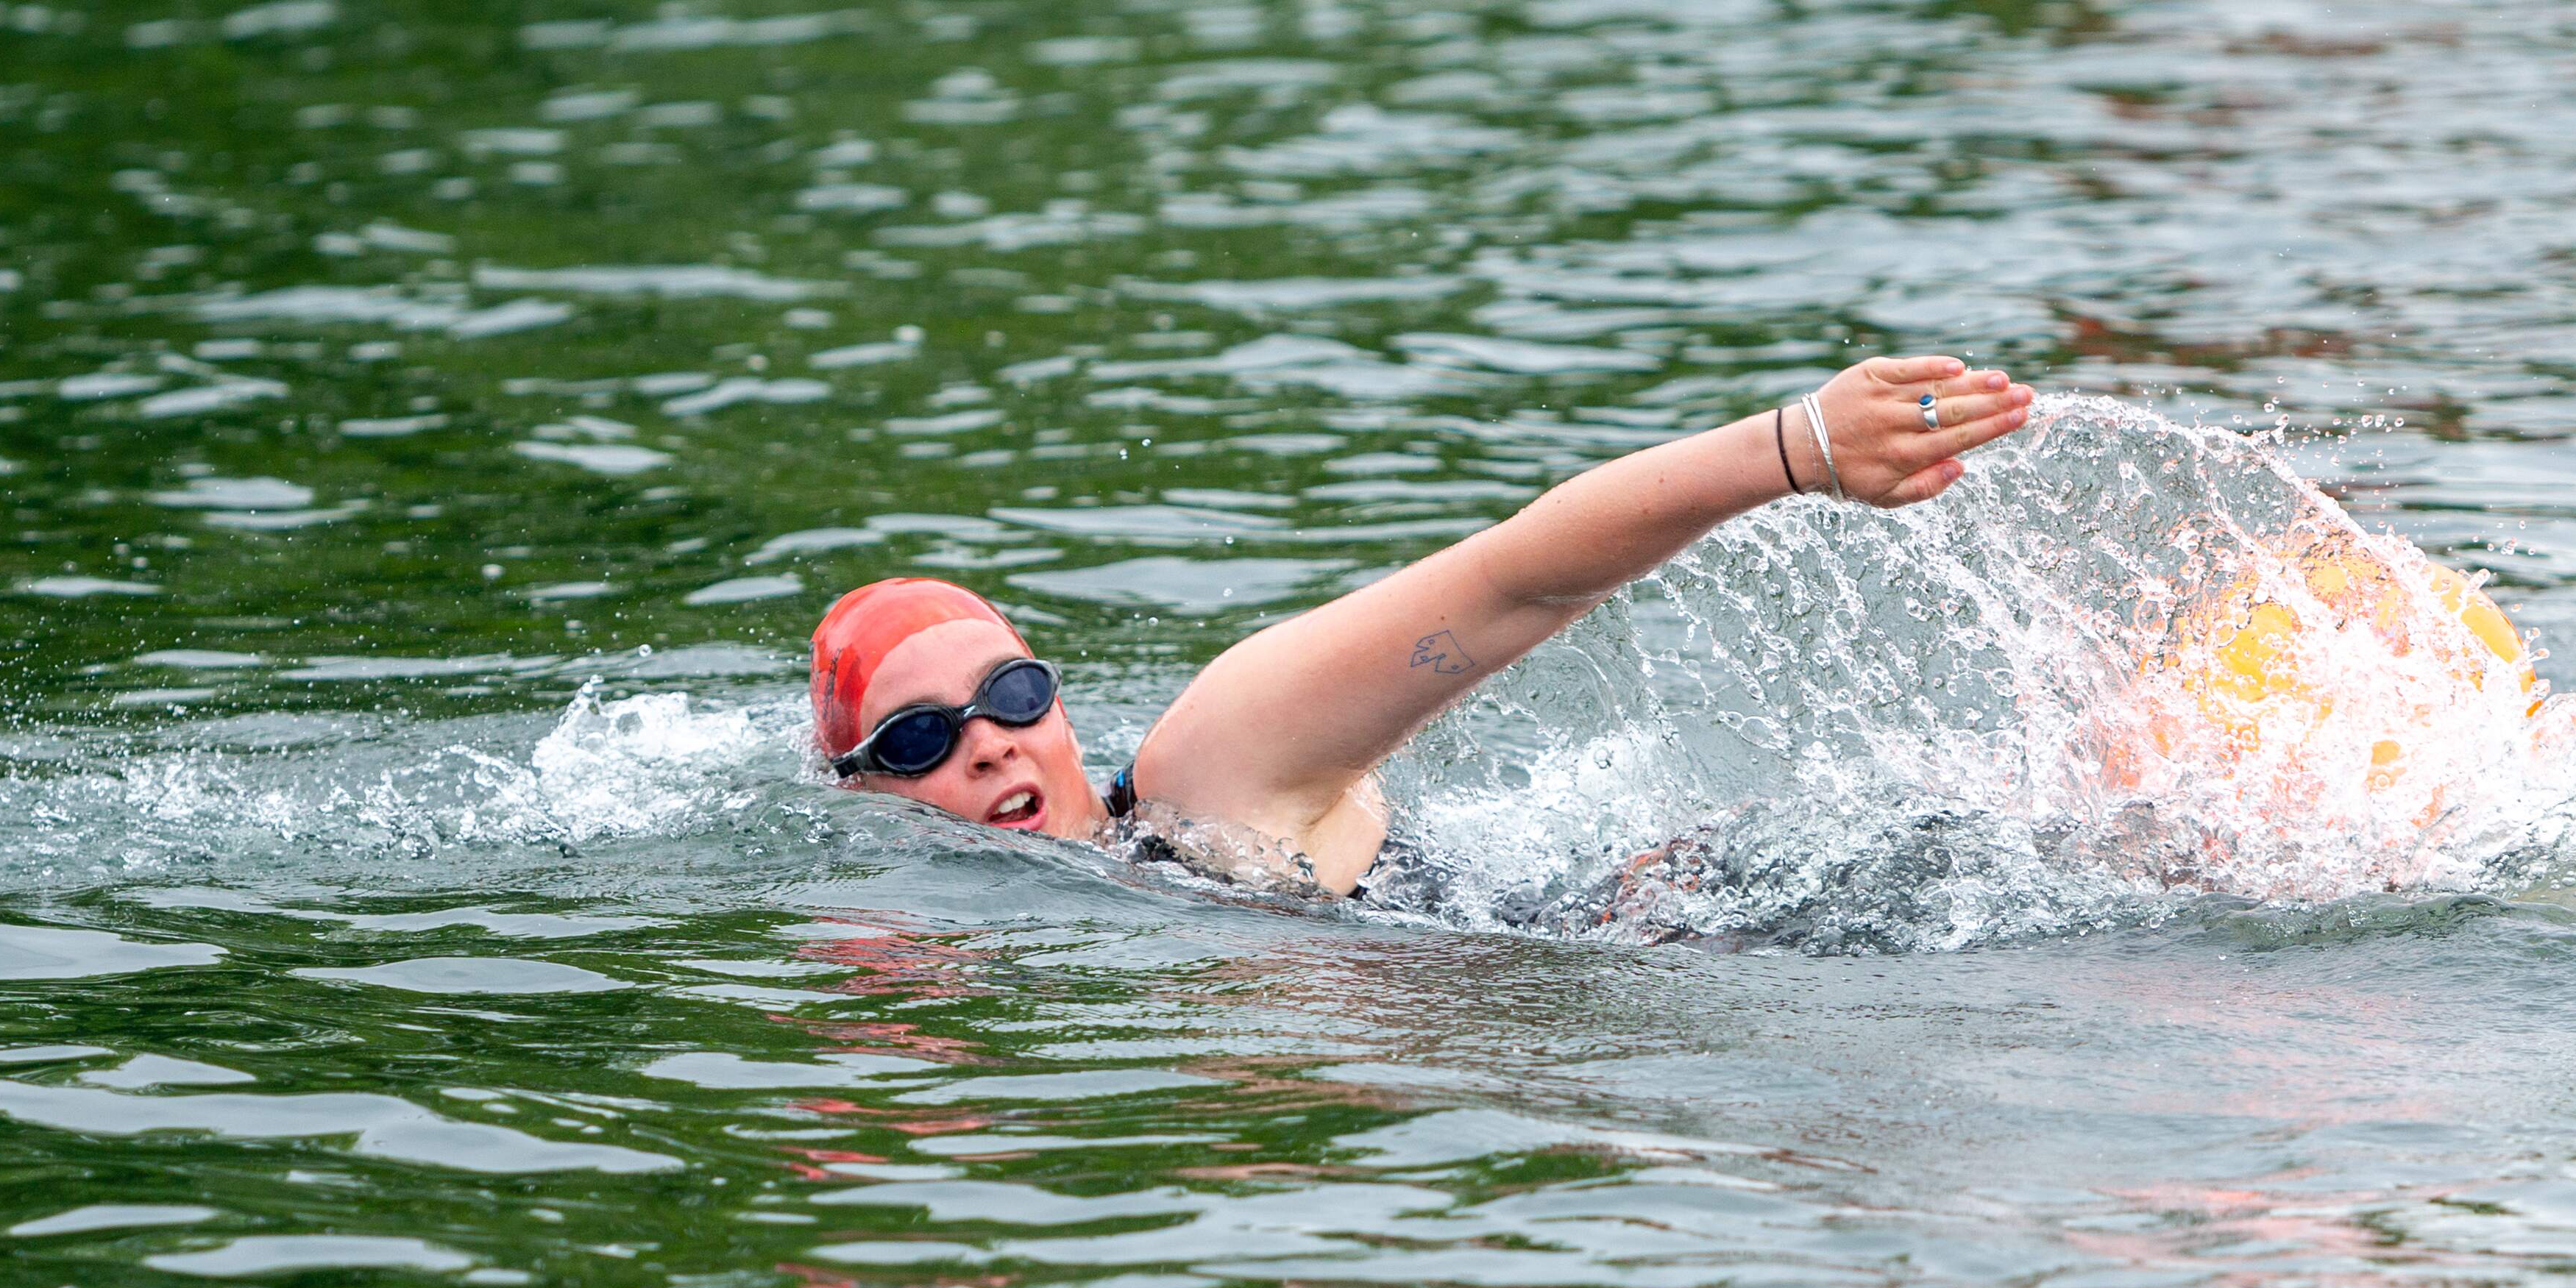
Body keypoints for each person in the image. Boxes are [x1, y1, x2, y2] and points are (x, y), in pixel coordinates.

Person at [806, 354, 2036, 897]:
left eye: (1013, 694)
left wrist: (1792, 448)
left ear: (1058, 705)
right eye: (918, 740)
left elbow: (1514, 581)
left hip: (1740, 929)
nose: (990, 744)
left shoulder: (1204, 777)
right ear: (862, 791)